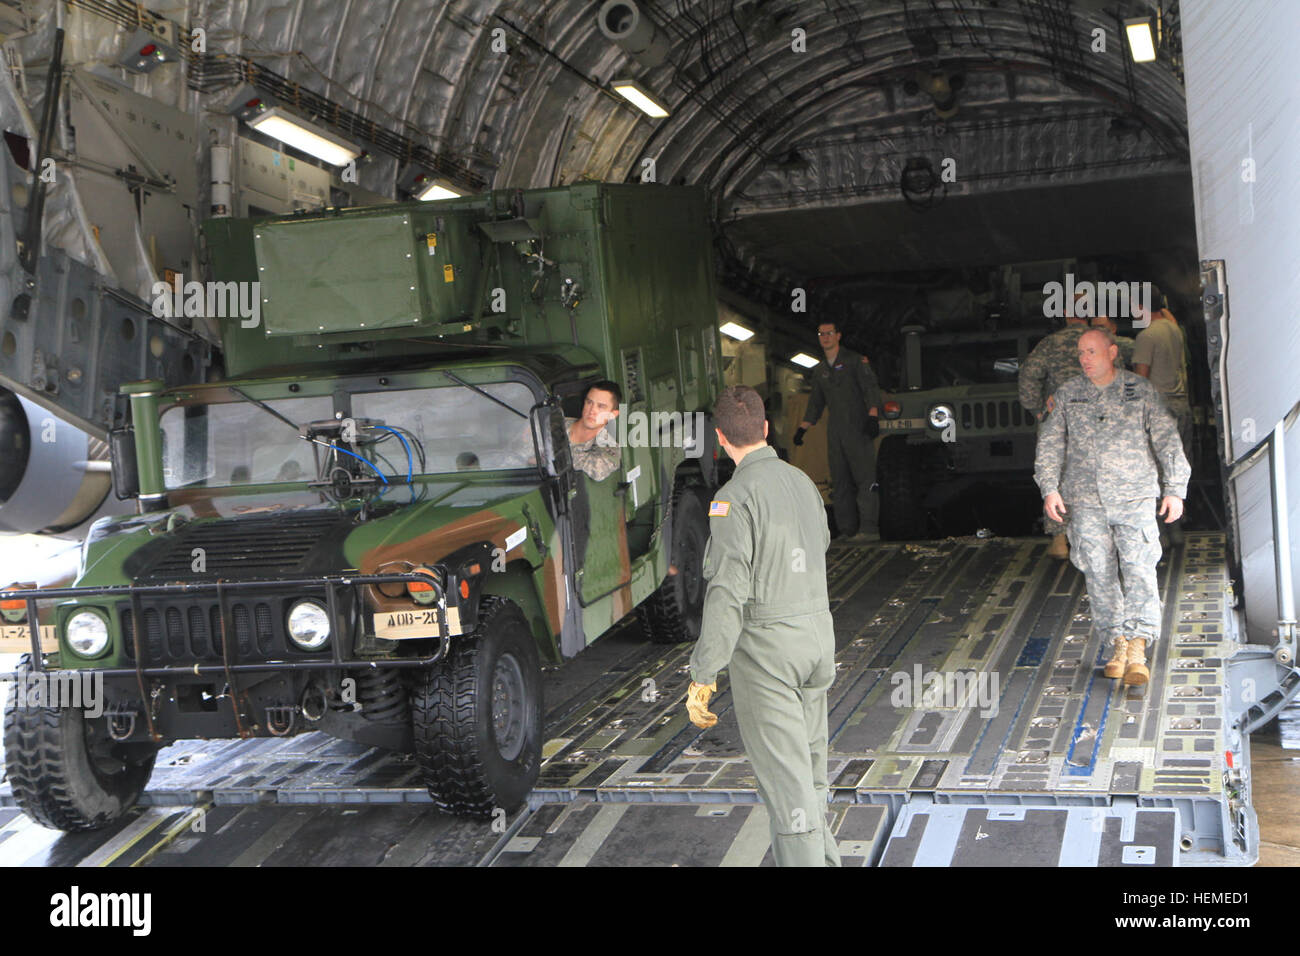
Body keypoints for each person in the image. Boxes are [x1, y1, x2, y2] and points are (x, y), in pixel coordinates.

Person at [685, 385, 840, 867]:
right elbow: (822, 546)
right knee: (810, 774)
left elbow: (727, 592)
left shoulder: (732, 499)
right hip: (816, 641)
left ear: (719, 438)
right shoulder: (802, 482)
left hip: (769, 654)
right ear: (766, 428)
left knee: (787, 787)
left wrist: (703, 672)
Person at [1034, 329, 1191, 686]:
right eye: (1080, 353)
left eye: (1091, 351)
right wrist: (1049, 489)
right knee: (1099, 574)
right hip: (1085, 501)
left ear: (1112, 352)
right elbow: (1050, 445)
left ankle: (1138, 647)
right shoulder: (1068, 395)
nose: (1085, 359)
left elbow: (1167, 439)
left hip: (1134, 497)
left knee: (1139, 568)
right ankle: (1117, 645)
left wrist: (1175, 489)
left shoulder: (1140, 391)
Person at [793, 321, 881, 544]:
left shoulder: (854, 361)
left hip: (858, 428)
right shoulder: (821, 370)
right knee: (840, 481)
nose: (825, 337)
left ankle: (869, 529)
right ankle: (848, 530)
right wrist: (803, 428)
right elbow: (816, 403)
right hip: (836, 432)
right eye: (821, 333)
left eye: (829, 333)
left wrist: (872, 416)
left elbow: (870, 388)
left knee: (865, 479)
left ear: (838, 335)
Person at [1019, 294, 1091, 559]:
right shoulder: (1100, 343)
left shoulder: (1050, 344)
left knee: (1056, 480)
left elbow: (1028, 377)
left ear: (1064, 313)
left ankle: (1060, 541)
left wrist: (1039, 410)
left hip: (1059, 424)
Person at [1132, 288, 1192, 545]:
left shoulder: (1146, 336)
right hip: (1181, 406)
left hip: (1158, 410)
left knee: (1153, 471)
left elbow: (1141, 379)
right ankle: (1176, 527)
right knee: (1176, 467)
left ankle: (1161, 534)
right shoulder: (1173, 329)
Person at [566, 380, 622, 481]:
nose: (592, 410)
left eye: (601, 406)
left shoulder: (609, 447)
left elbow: (598, 471)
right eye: (589, 402)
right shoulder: (554, 424)